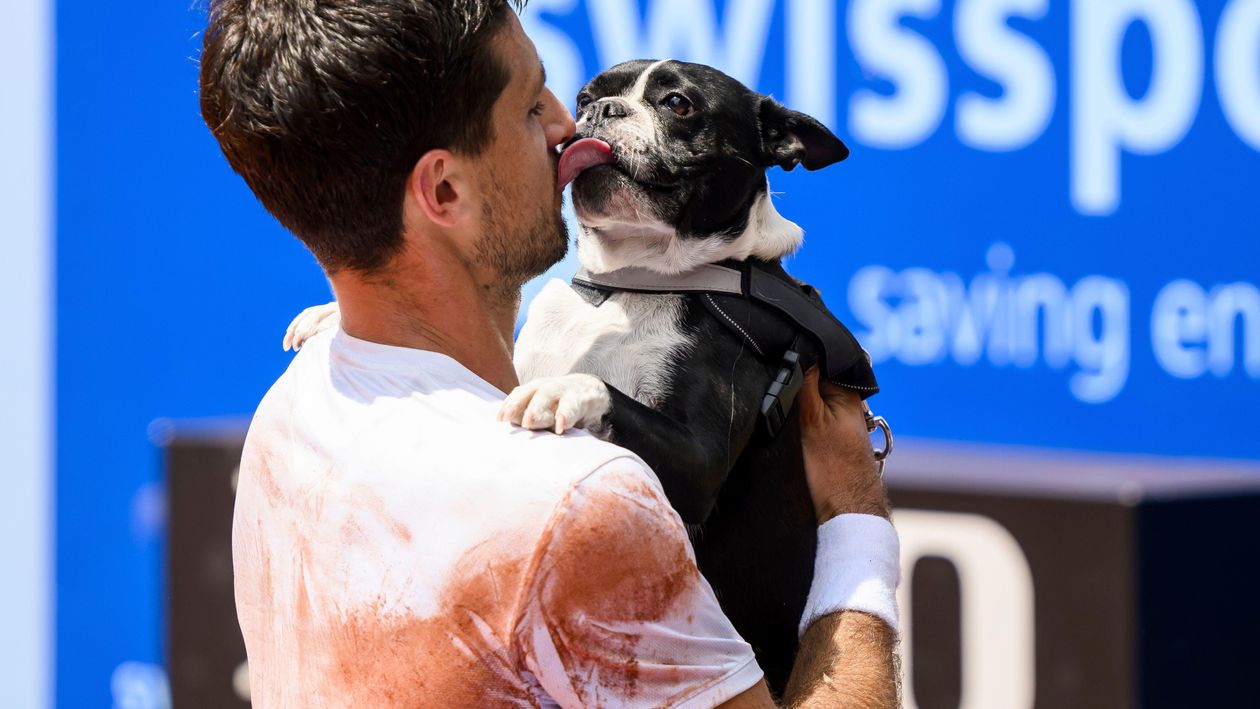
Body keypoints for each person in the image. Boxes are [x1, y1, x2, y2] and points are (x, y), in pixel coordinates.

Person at [199, 1, 901, 706]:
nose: (571, 125)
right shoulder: (576, 510)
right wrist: (857, 528)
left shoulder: (291, 410)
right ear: (446, 190)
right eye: (533, 108)